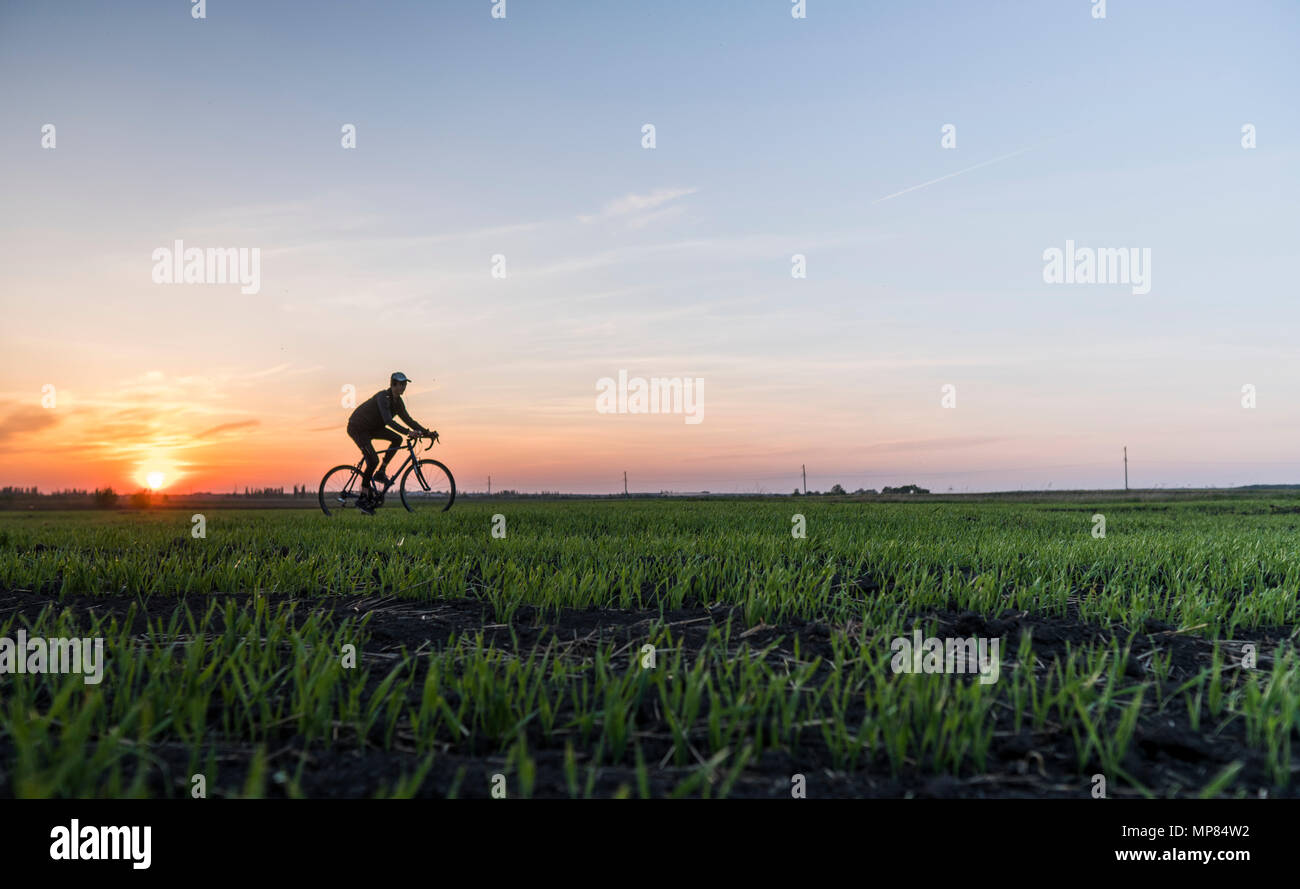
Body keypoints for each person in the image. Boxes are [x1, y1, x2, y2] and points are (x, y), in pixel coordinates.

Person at [346, 372, 434, 512]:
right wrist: (408, 432)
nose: (404, 387)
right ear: (393, 384)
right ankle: (363, 497)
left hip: (373, 428)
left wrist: (427, 433)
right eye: (401, 384)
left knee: (397, 439)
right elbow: (388, 421)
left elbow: (409, 420)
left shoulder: (398, 402)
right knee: (372, 460)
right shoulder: (383, 397)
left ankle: (381, 472)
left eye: (405, 384)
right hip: (358, 427)